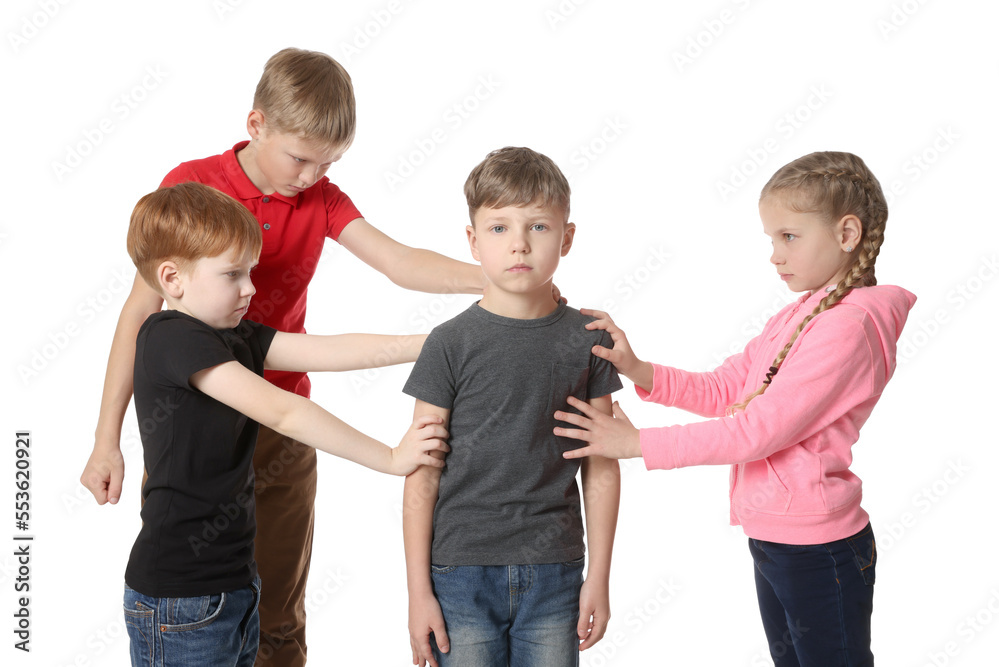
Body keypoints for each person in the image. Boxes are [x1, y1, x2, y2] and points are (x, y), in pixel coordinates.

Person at [80, 47, 487, 666]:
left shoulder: (320, 199)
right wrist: (106, 436)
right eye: (300, 157)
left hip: (283, 408)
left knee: (272, 608)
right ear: (257, 124)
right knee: (199, 599)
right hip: (199, 421)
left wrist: (494, 280)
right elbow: (139, 314)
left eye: (329, 163)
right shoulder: (193, 191)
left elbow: (397, 265)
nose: (310, 175)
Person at [556, 151, 916, 665]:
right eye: (772, 239)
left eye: (788, 236)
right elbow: (729, 388)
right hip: (777, 535)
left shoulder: (848, 327)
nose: (775, 254)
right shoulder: (804, 312)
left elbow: (756, 431)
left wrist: (636, 444)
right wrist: (638, 370)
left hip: (819, 548)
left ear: (847, 233)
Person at [120, 182, 448, 667]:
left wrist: (436, 341)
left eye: (249, 271)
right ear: (173, 279)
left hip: (234, 584)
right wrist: (391, 457)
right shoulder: (170, 338)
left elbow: (327, 350)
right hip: (181, 598)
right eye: (233, 274)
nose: (250, 287)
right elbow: (284, 411)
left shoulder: (232, 334)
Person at [402, 147, 622, 667]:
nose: (519, 244)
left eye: (539, 227)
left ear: (567, 238)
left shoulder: (587, 340)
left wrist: (599, 578)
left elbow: (603, 464)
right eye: (499, 228)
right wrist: (417, 592)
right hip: (459, 571)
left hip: (557, 569)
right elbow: (421, 473)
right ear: (473, 241)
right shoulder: (449, 343)